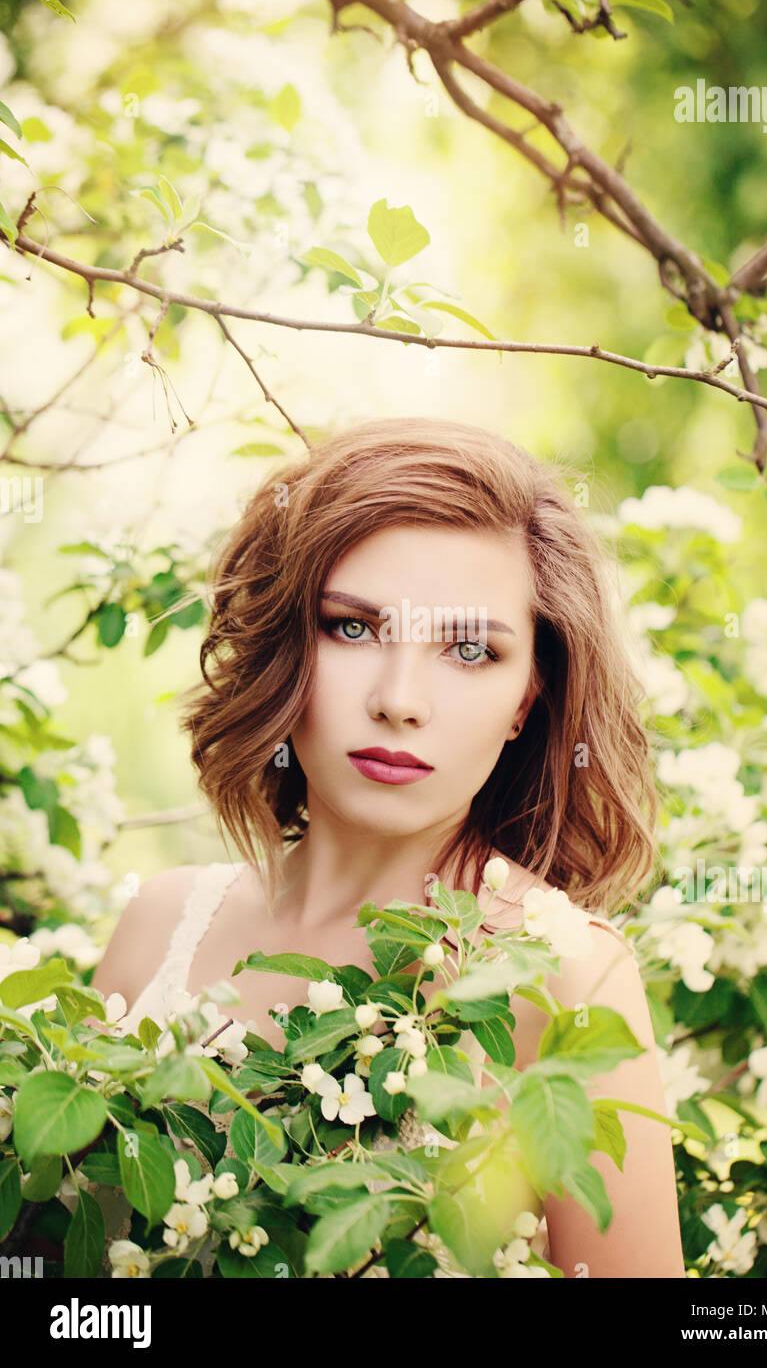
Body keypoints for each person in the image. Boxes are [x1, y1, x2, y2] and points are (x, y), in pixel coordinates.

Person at [92, 415, 685, 1278]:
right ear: (288, 643)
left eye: (470, 649)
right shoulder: (158, 924)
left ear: (528, 698)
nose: (400, 700)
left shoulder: (560, 976)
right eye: (355, 629)